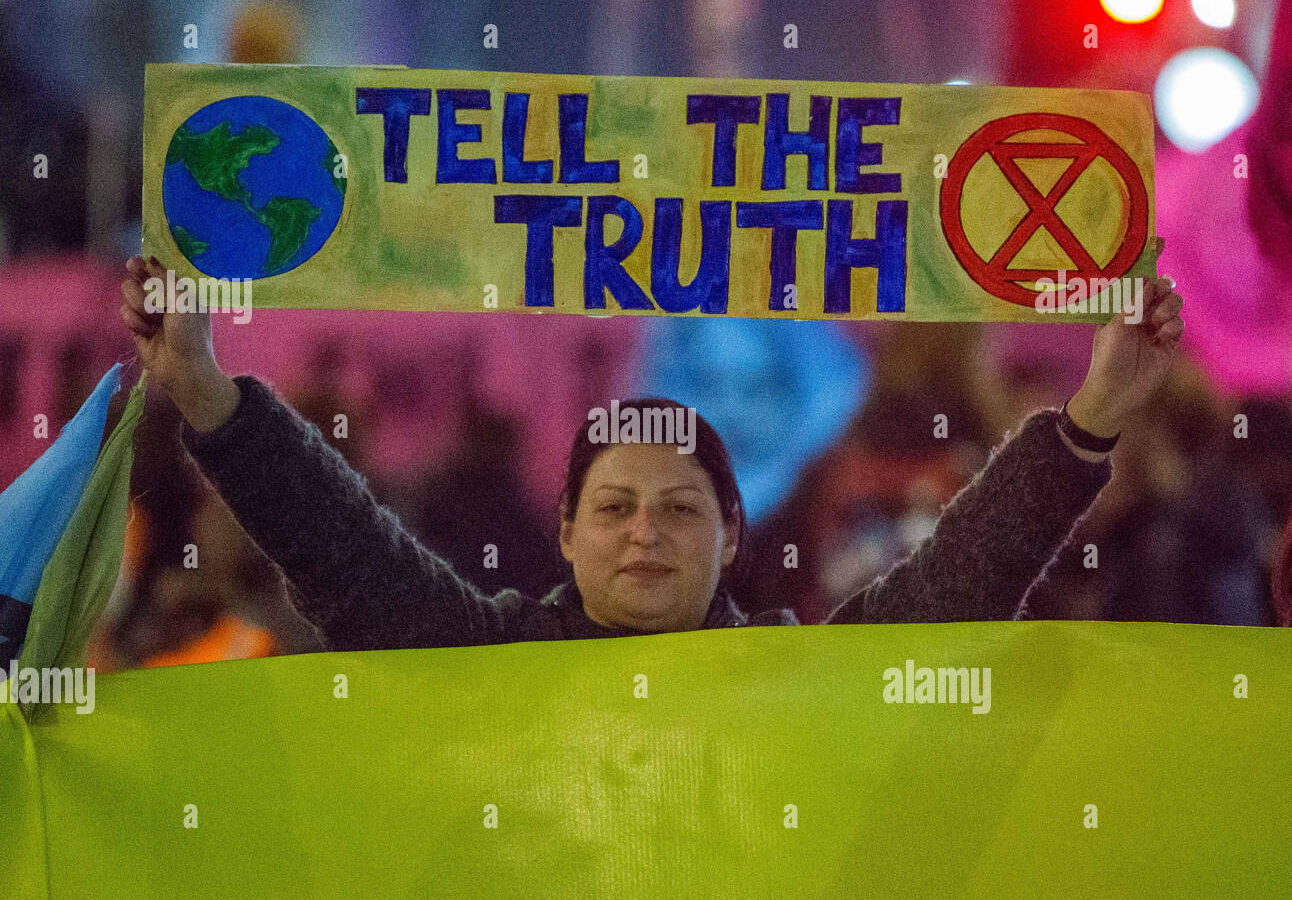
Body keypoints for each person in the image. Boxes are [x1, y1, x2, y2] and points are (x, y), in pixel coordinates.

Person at [119, 255, 1184, 652]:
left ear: (731, 536)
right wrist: (208, 393)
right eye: (617, 506)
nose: (645, 532)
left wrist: (1095, 410)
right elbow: (338, 545)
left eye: (680, 509)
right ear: (566, 533)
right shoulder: (478, 655)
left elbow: (962, 579)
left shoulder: (790, 675)